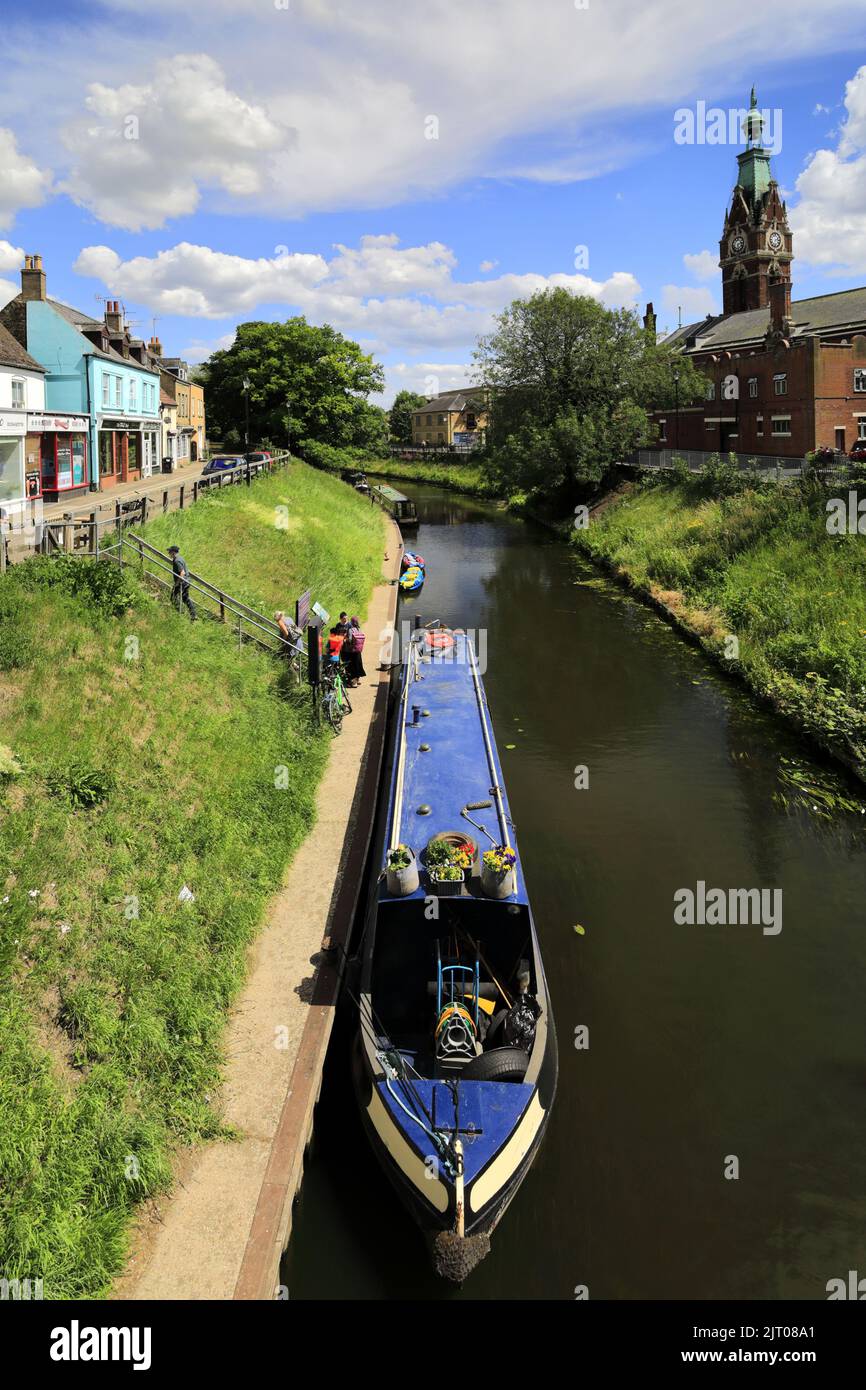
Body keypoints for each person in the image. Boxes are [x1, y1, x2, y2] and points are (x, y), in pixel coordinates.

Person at [168, 545, 196, 620]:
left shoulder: (177, 561)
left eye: (169, 552)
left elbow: (182, 573)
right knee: (185, 598)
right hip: (186, 581)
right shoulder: (180, 558)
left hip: (182, 582)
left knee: (173, 596)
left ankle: (178, 612)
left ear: (173, 552)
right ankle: (193, 615)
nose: (168, 553)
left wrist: (177, 583)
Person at [344, 616, 366, 686]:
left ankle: (353, 683)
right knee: (358, 665)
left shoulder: (350, 630)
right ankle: (358, 679)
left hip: (352, 651)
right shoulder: (358, 629)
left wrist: (345, 640)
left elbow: (350, 640)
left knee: (352, 666)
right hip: (358, 651)